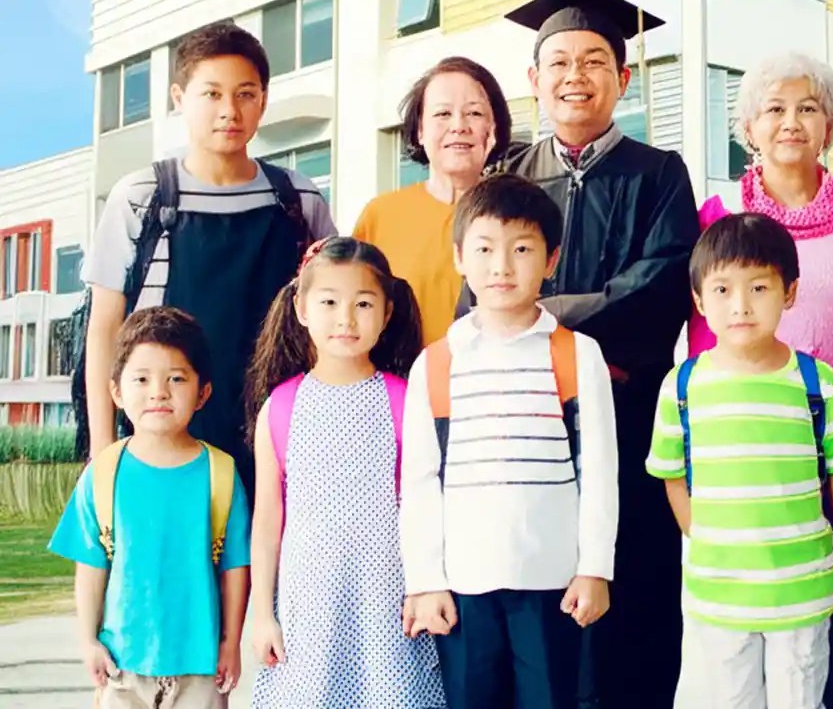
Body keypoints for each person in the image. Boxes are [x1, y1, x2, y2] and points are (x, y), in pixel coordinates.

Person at [497, 0, 702, 705]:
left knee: (634, 582)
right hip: (528, 418)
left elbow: (662, 283)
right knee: (539, 580)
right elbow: (481, 293)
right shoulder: (511, 177)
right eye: (558, 62)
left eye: (593, 61)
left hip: (630, 410)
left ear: (623, 77)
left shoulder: (659, 172)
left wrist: (542, 317)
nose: (574, 76)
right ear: (534, 79)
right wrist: (553, 337)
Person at [688, 51, 833, 707]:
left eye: (808, 107)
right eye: (774, 108)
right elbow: (702, 340)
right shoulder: (716, 209)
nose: (791, 121)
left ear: (829, 124)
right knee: (747, 648)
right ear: (748, 127)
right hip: (751, 454)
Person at [81, 21, 337, 499]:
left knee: (267, 574)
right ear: (180, 97)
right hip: (164, 442)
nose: (229, 111)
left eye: (245, 94)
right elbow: (104, 329)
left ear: (263, 98)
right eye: (211, 94)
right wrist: (102, 453)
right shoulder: (142, 197)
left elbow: (333, 320)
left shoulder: (298, 199)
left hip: (281, 440)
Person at [401, 174, 618, 709]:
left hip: (552, 581)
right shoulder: (436, 362)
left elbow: (599, 472)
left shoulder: (576, 354)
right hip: (465, 584)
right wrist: (425, 581)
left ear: (550, 260)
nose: (501, 266)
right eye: (484, 249)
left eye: (521, 249)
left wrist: (595, 569)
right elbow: (421, 482)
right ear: (459, 257)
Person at [648, 213, 833, 708]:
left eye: (759, 287)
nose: (740, 305)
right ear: (699, 301)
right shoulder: (682, 386)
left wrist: (821, 541)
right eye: (722, 290)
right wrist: (701, 534)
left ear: (790, 292)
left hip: (802, 591)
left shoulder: (819, 384)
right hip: (718, 595)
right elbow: (672, 474)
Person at [244, 237, 441, 708]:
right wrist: (261, 611)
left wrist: (425, 587)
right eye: (329, 302)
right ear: (302, 306)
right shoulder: (281, 407)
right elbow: (268, 520)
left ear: (388, 311)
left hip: (389, 605)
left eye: (363, 303)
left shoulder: (406, 399)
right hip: (308, 604)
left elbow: (425, 505)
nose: (346, 318)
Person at [50, 307, 251, 708]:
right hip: (121, 668)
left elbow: (235, 570)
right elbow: (91, 567)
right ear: (118, 392)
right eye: (141, 379)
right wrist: (88, 641)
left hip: (201, 668)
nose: (158, 391)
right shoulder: (103, 474)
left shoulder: (220, 475)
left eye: (176, 379)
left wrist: (231, 643)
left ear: (203, 392)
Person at [354, 56, 512, 344]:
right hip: (403, 385)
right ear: (420, 131)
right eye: (442, 114)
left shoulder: (514, 215)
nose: (459, 126)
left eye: (474, 114)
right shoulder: (380, 215)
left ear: (494, 129)